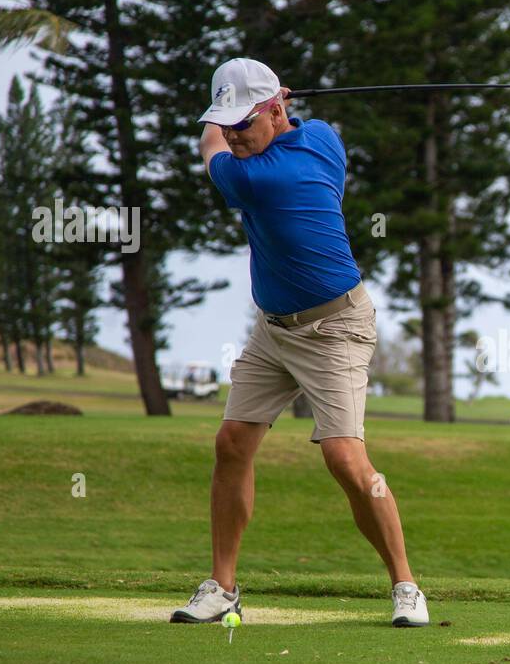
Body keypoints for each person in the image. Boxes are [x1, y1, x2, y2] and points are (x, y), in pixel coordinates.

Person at [170, 57, 428, 628]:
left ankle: (406, 585)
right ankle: (223, 588)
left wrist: (225, 126)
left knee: (346, 459)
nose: (235, 136)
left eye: (246, 124)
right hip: (273, 329)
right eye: (229, 123)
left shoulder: (256, 179)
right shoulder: (323, 139)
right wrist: (266, 104)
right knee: (232, 442)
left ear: (276, 110)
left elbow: (208, 146)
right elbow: (250, 128)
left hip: (335, 328)